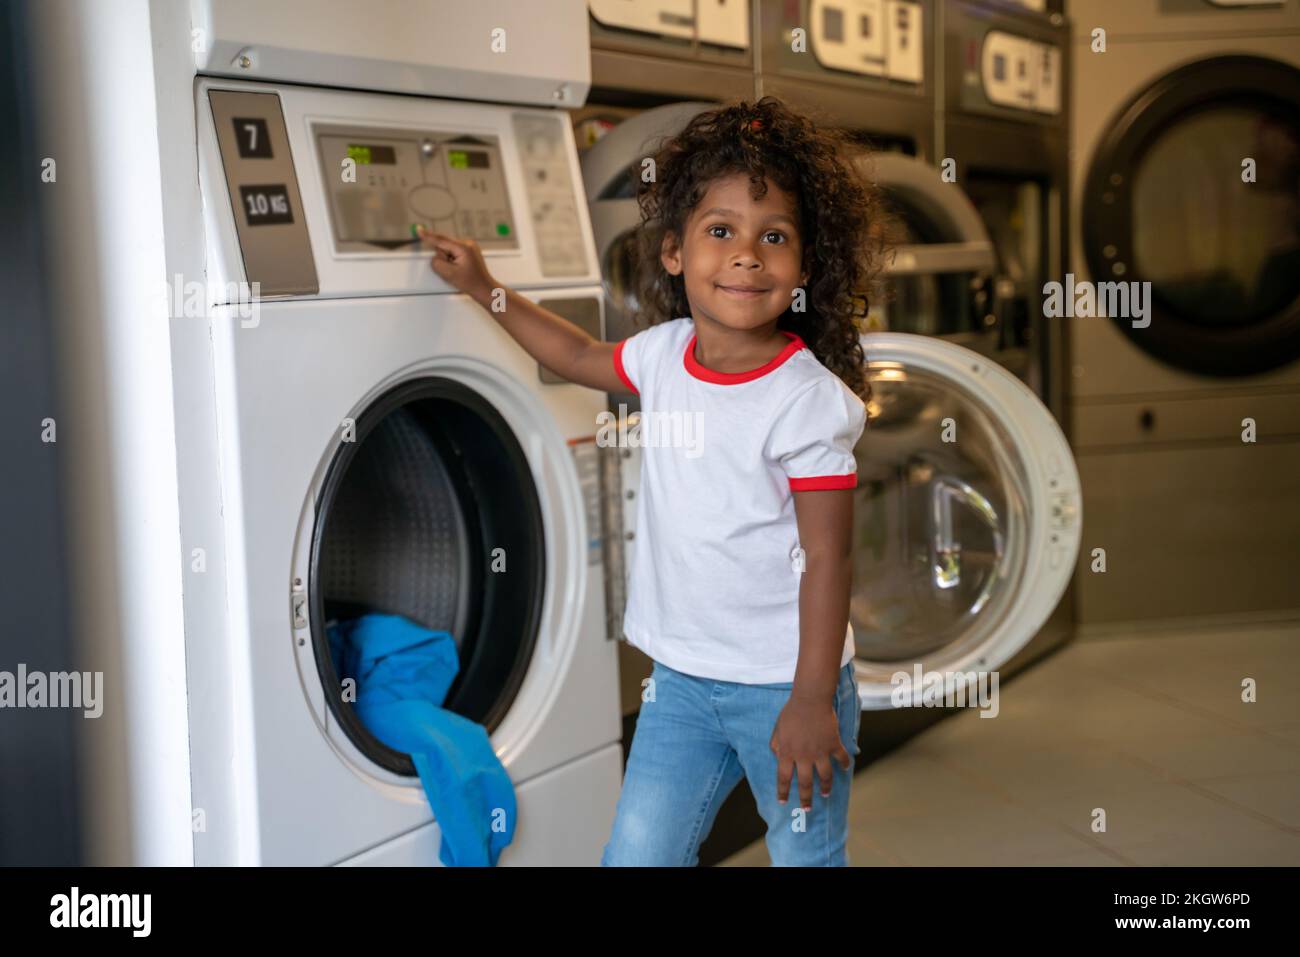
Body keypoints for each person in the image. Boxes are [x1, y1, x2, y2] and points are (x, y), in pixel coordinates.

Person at [418, 96, 888, 866]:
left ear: (802, 267)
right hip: (681, 684)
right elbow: (570, 355)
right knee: (637, 854)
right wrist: (484, 287)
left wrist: (809, 700)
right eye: (720, 231)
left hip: (786, 685)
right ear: (674, 252)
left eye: (774, 237)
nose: (747, 255)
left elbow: (828, 559)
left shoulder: (805, 401)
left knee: (806, 857)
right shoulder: (666, 354)